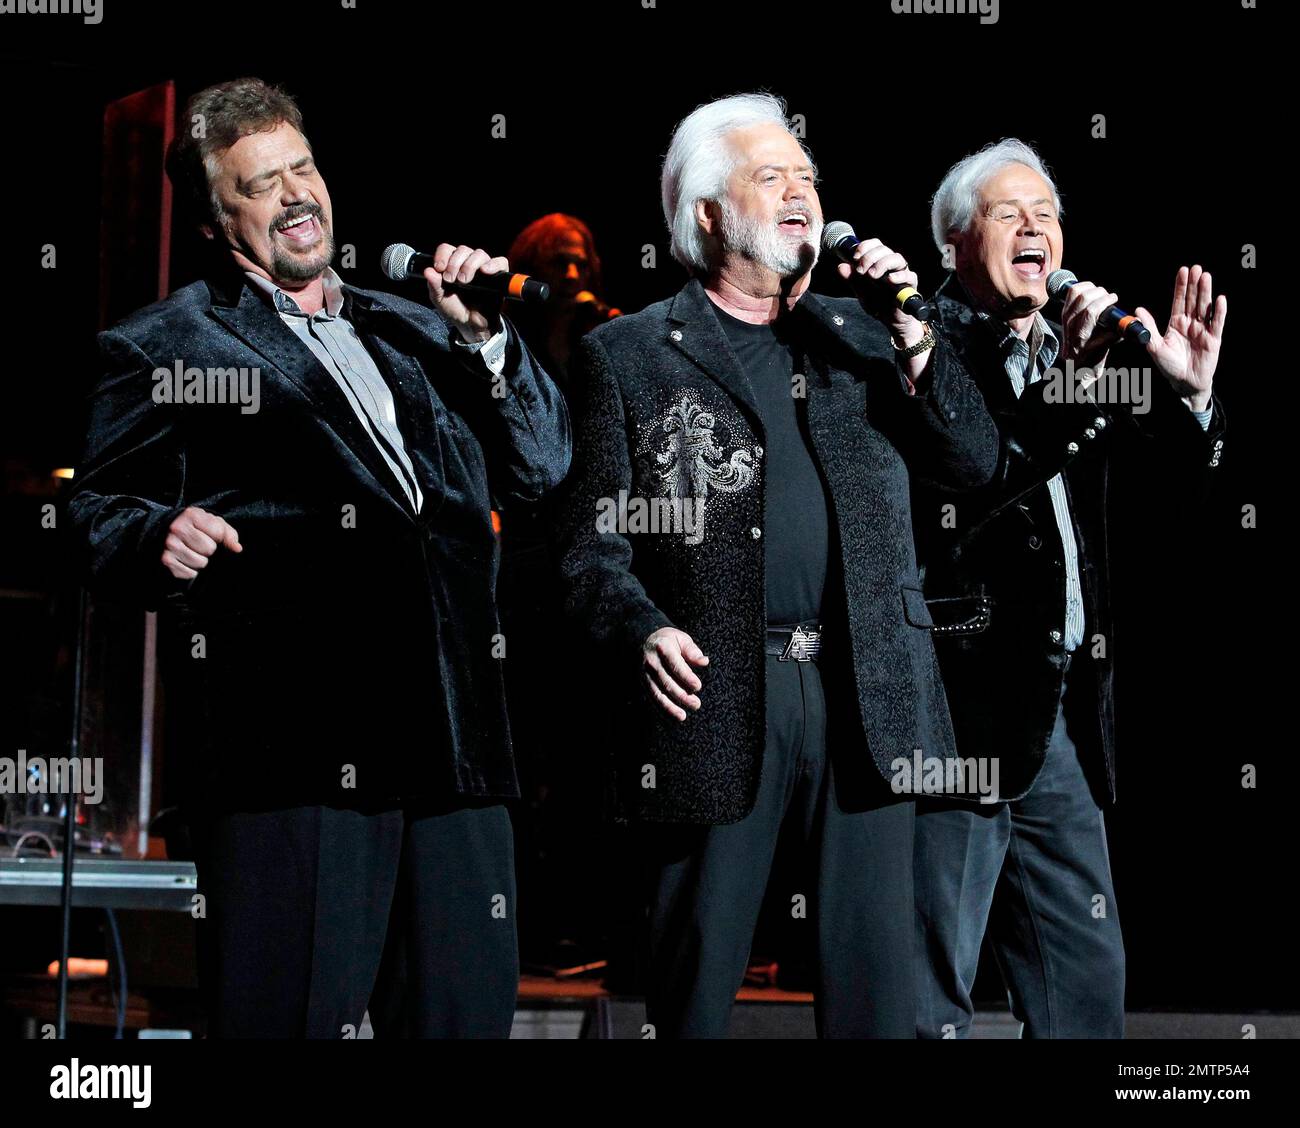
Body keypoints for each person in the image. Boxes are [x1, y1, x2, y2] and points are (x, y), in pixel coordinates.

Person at [67, 77, 571, 1037]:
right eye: (261, 184)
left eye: (302, 167)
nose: (296, 194)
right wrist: (152, 534)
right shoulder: (166, 343)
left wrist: (489, 340)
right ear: (218, 224)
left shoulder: (416, 326)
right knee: (288, 1019)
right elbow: (92, 510)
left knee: (464, 1019)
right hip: (293, 755)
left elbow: (542, 469)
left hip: (457, 749)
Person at [551, 92, 998, 1038]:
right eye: (773, 178)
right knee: (697, 987)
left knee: (877, 994)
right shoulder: (628, 355)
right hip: (716, 691)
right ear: (708, 212)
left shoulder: (866, 337)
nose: (802, 194)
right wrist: (641, 627)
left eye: (808, 179)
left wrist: (913, 329)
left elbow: (972, 464)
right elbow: (591, 547)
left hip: (866, 689)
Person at [911, 138, 1227, 1038]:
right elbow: (973, 476)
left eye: (1046, 214)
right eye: (1008, 213)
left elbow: (1176, 505)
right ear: (953, 243)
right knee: (932, 984)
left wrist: (1188, 401)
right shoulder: (915, 346)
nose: (1034, 229)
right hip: (951, 712)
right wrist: (1085, 383)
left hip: (1060, 722)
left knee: (1084, 985)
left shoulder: (1077, 356)